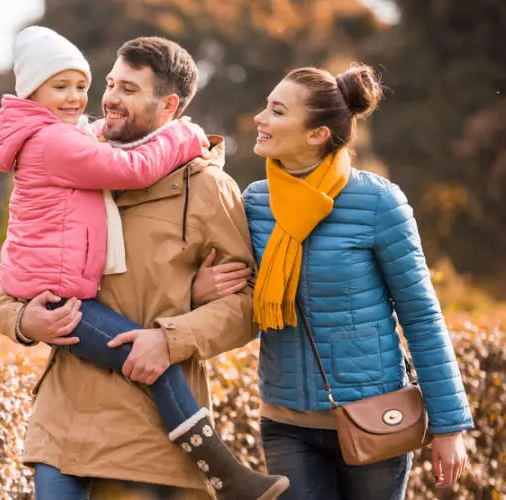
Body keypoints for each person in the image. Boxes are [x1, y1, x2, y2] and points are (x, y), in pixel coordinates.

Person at [0, 25, 288, 500]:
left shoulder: (207, 187)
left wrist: (172, 338)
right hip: (61, 431)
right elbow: (11, 273)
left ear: (169, 106)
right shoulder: (75, 159)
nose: (107, 98)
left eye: (128, 90)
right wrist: (25, 320)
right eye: (109, 83)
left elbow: (251, 303)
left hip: (150, 445)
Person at [193, 63, 474, 499]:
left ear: (317, 134)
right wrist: (201, 289)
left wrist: (449, 425)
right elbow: (242, 294)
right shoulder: (254, 203)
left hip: (375, 416)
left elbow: (420, 315)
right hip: (286, 422)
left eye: (277, 111)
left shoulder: (378, 202)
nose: (260, 120)